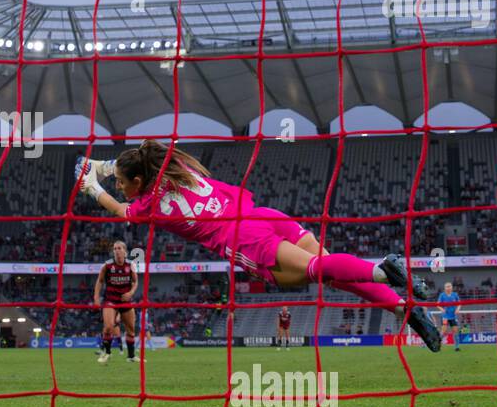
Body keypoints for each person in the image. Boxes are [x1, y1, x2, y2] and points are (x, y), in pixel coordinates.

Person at [74, 141, 441, 350]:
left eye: (123, 182)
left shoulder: (149, 206)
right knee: (330, 268)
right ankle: (405, 309)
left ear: (139, 181)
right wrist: (102, 166)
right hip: (262, 213)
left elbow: (121, 209)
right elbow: (135, 163)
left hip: (242, 238)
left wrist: (92, 186)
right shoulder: (178, 168)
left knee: (313, 273)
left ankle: (382, 268)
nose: (120, 187)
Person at [93, 241, 139, 363]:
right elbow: (100, 281)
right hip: (110, 300)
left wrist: (130, 293)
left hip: (125, 300)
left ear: (125, 251)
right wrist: (96, 297)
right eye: (114, 249)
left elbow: (135, 282)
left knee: (131, 329)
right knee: (108, 327)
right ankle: (107, 353)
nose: (116, 251)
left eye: (119, 248)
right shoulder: (107, 265)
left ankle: (131, 356)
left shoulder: (131, 265)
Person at [437, 281, 461, 351]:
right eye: (447, 286)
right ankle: (438, 344)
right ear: (445, 288)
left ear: (452, 287)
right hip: (445, 316)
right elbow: (438, 304)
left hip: (453, 316)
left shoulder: (455, 294)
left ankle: (457, 347)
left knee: (455, 331)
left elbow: (459, 303)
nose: (448, 288)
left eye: (450, 286)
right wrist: (442, 309)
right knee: (443, 331)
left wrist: (458, 309)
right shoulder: (442, 295)